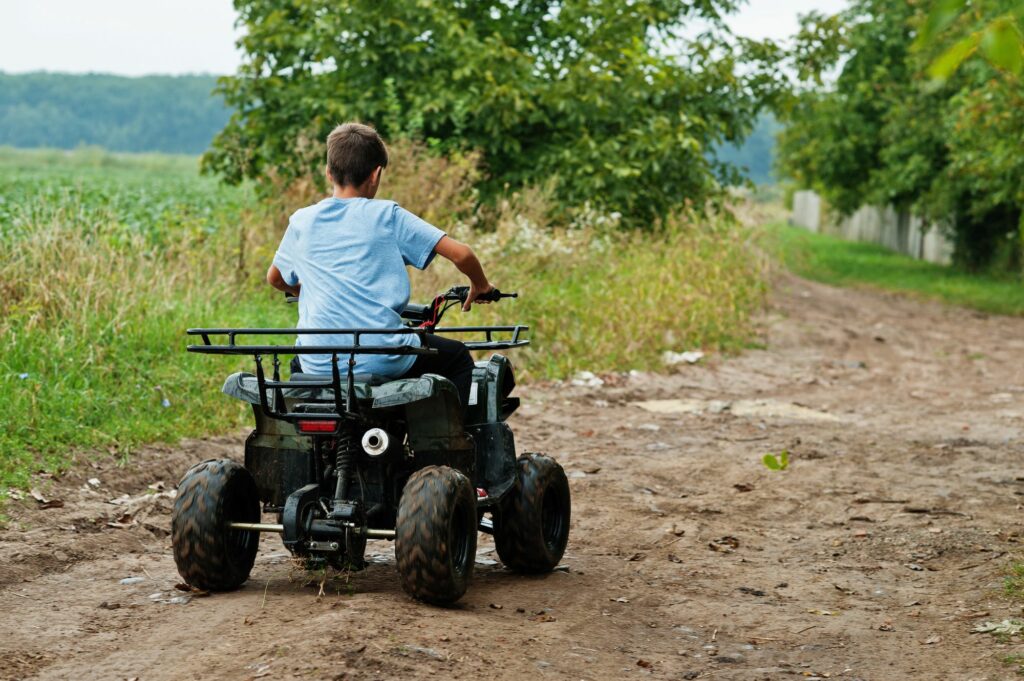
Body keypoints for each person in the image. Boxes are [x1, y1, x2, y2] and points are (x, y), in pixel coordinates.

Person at [266, 122, 493, 409]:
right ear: (376, 175)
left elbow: (275, 278)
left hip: (317, 362)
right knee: (458, 357)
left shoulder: (302, 220)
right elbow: (462, 254)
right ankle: (451, 445)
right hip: (383, 355)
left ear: (328, 172)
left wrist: (304, 290)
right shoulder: (387, 215)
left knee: (299, 361)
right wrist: (481, 285)